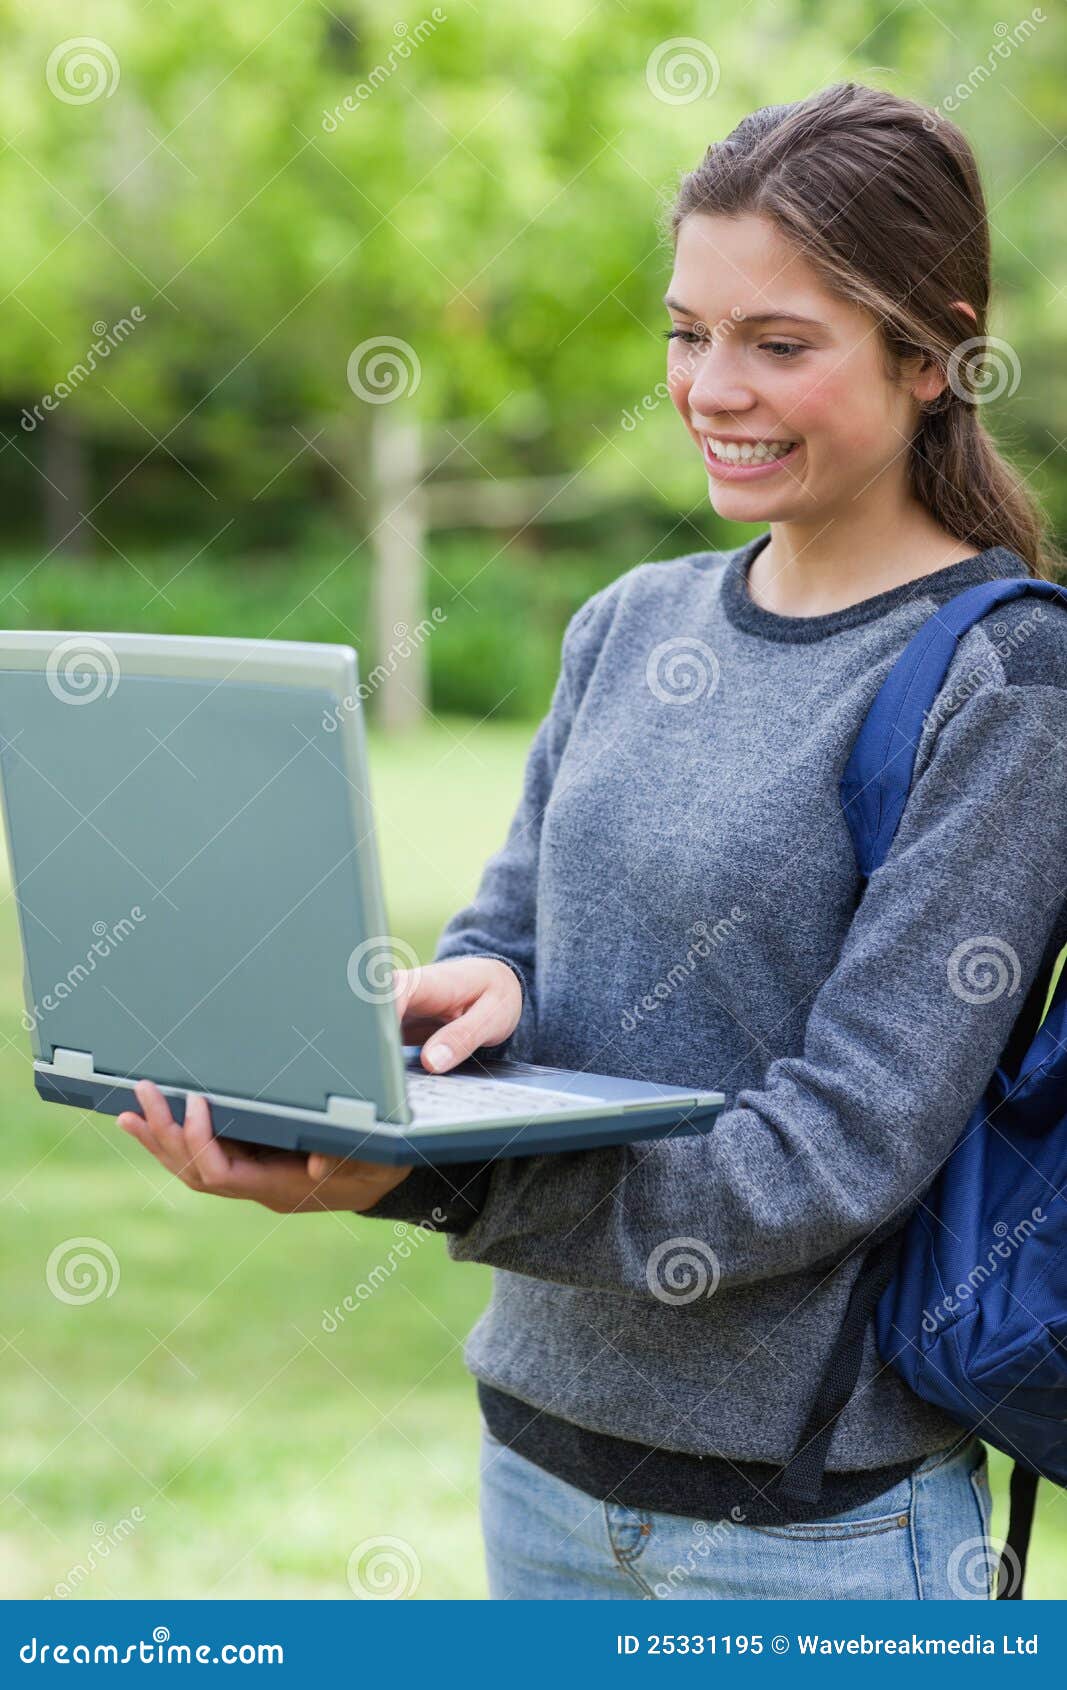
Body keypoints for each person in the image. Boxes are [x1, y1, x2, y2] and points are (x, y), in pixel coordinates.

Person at [118, 81, 1067, 1600]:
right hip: (538, 1464)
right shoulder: (631, 623)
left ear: (936, 351)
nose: (711, 387)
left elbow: (834, 1149)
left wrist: (432, 1187)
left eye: (780, 343)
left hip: (817, 1532)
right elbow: (512, 934)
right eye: (689, 333)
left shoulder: (1006, 680)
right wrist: (466, 999)